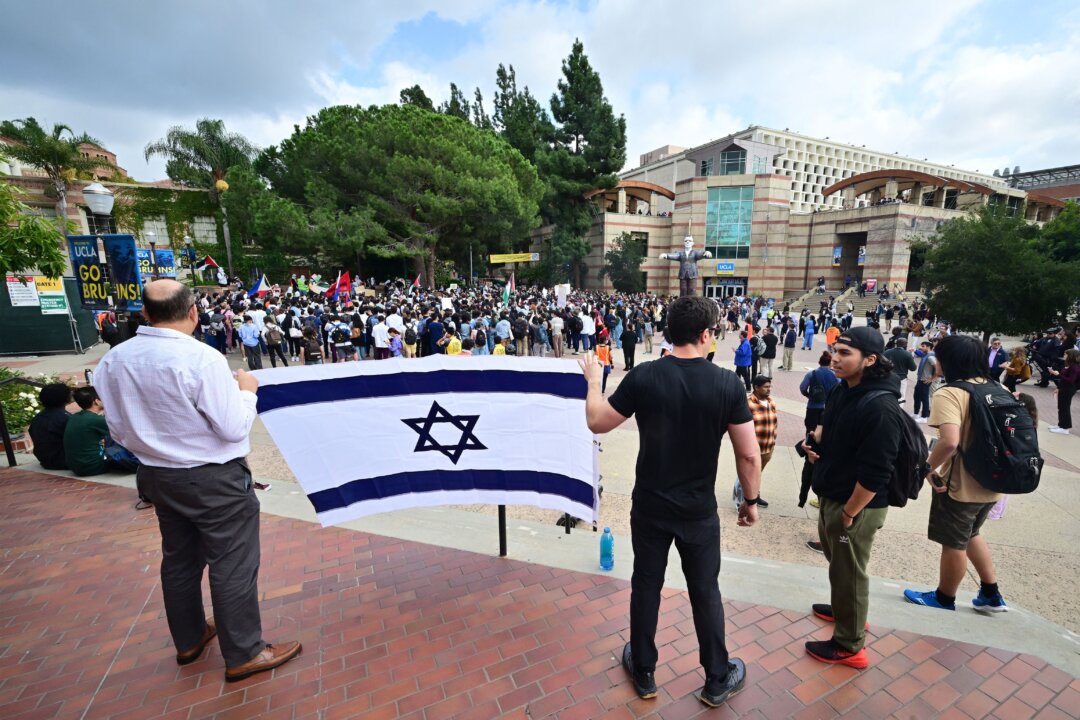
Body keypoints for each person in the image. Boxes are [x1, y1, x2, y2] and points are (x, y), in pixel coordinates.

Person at [94, 279, 301, 682]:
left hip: (156, 475)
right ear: (193, 312)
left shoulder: (114, 360)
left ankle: (189, 639)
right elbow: (232, 429)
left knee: (180, 559)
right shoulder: (202, 359)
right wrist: (246, 392)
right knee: (232, 562)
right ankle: (244, 652)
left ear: (145, 315)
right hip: (212, 479)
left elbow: (117, 429)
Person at [579, 295, 759, 708]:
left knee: (646, 585)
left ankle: (643, 670)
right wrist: (750, 500)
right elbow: (748, 454)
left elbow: (597, 421)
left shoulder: (645, 376)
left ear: (667, 333)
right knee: (704, 590)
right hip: (698, 511)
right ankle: (716, 677)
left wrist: (593, 380)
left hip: (650, 506)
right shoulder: (728, 383)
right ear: (706, 334)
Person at [802, 327, 902, 669]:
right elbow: (832, 432)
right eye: (835, 350)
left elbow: (877, 473)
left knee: (850, 573)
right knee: (841, 566)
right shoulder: (844, 389)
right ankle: (847, 611)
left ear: (870, 360)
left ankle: (849, 644)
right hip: (835, 492)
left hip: (856, 504)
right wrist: (815, 446)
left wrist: (848, 513)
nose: (835, 358)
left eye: (845, 353)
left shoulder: (880, 407)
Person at [903, 335, 1009, 613]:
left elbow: (949, 442)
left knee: (953, 542)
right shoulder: (997, 387)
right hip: (994, 481)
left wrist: (926, 468)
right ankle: (991, 593)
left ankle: (944, 598)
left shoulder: (950, 392)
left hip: (961, 483)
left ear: (950, 361)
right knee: (972, 533)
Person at [63, 386, 139, 477]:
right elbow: (126, 432)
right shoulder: (95, 420)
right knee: (124, 449)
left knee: (110, 438)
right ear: (96, 401)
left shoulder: (75, 417)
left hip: (77, 466)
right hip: (92, 466)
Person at [733, 376, 776, 509]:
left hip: (768, 447)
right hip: (753, 448)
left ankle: (755, 496)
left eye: (769, 386)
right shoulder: (748, 404)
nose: (769, 389)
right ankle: (740, 501)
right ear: (756, 387)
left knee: (757, 474)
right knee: (745, 475)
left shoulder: (771, 402)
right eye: (766, 387)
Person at [27, 383, 72, 470]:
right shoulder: (64, 418)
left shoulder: (38, 417)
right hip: (63, 461)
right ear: (66, 398)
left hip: (45, 460)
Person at [1047, 348, 1080, 434]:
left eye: (1066, 354)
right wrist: (1058, 388)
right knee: (1061, 407)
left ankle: (1065, 428)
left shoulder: (1075, 367)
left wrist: (1058, 374)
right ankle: (1060, 425)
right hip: (1064, 388)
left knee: (1065, 408)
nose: (1064, 356)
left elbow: (1070, 380)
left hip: (1069, 389)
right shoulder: (1070, 365)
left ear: (1071, 356)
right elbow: (1065, 379)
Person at [883, 337, 916, 404]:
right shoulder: (907, 354)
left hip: (887, 377)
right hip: (901, 379)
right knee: (900, 399)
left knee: (888, 396)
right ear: (905, 344)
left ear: (896, 343)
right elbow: (913, 368)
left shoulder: (887, 352)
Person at [912, 340, 937, 423]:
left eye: (923, 346)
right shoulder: (926, 355)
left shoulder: (930, 356)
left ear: (928, 347)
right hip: (920, 380)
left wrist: (932, 378)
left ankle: (924, 417)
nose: (920, 348)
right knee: (917, 396)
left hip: (925, 381)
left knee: (924, 399)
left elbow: (938, 368)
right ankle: (916, 413)